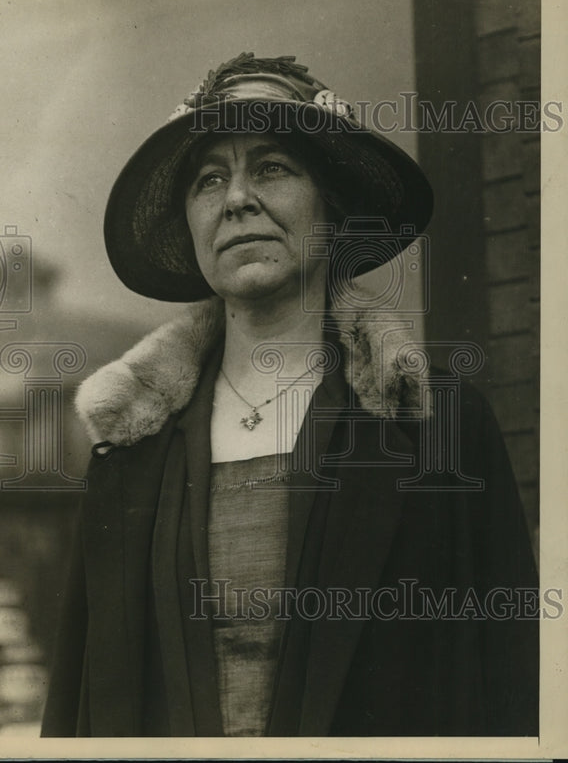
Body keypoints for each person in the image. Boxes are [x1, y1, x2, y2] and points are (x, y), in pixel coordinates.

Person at [41, 53, 538, 737]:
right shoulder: (130, 449)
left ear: (331, 207)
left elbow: (513, 690)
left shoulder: (436, 427)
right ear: (190, 225)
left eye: (272, 167)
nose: (238, 197)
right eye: (210, 179)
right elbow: (78, 709)